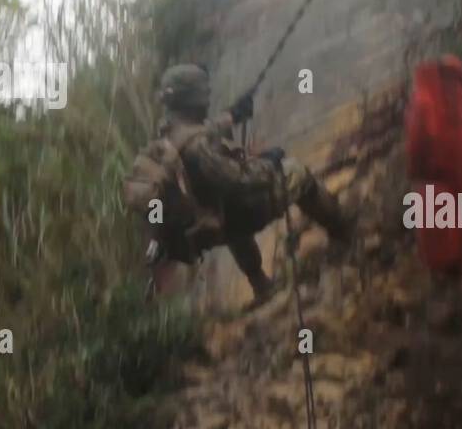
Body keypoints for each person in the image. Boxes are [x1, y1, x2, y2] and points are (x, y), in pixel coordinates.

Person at [126, 64, 349, 308]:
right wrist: (269, 162)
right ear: (193, 99)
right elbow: (241, 181)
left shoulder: (166, 135)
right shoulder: (198, 148)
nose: (207, 99)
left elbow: (200, 133)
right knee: (297, 173)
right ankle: (342, 232)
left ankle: (261, 285)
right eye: (204, 94)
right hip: (234, 214)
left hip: (204, 227)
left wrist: (233, 115)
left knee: (230, 212)